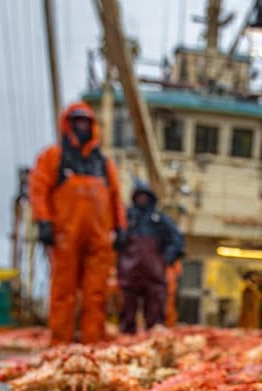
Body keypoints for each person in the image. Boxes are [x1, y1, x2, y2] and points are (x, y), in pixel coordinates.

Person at [29, 102, 126, 345]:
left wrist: (120, 227)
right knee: (63, 291)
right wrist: (43, 221)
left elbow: (116, 198)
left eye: (86, 123)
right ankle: (59, 345)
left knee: (97, 293)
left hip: (99, 239)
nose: (82, 127)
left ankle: (92, 345)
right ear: (68, 125)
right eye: (77, 122)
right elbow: (39, 189)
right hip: (65, 235)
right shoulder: (53, 157)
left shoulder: (104, 164)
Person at [115, 181, 184, 334]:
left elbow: (177, 240)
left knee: (155, 315)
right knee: (127, 313)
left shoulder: (159, 220)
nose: (142, 199)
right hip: (129, 275)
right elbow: (114, 239)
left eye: (144, 196)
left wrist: (166, 259)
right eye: (139, 196)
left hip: (154, 275)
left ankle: (153, 345)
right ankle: (126, 343)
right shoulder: (126, 218)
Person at [165, 259, 182, 326]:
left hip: (170, 292)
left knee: (170, 310)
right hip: (165, 292)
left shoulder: (174, 262)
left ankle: (170, 326)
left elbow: (179, 274)